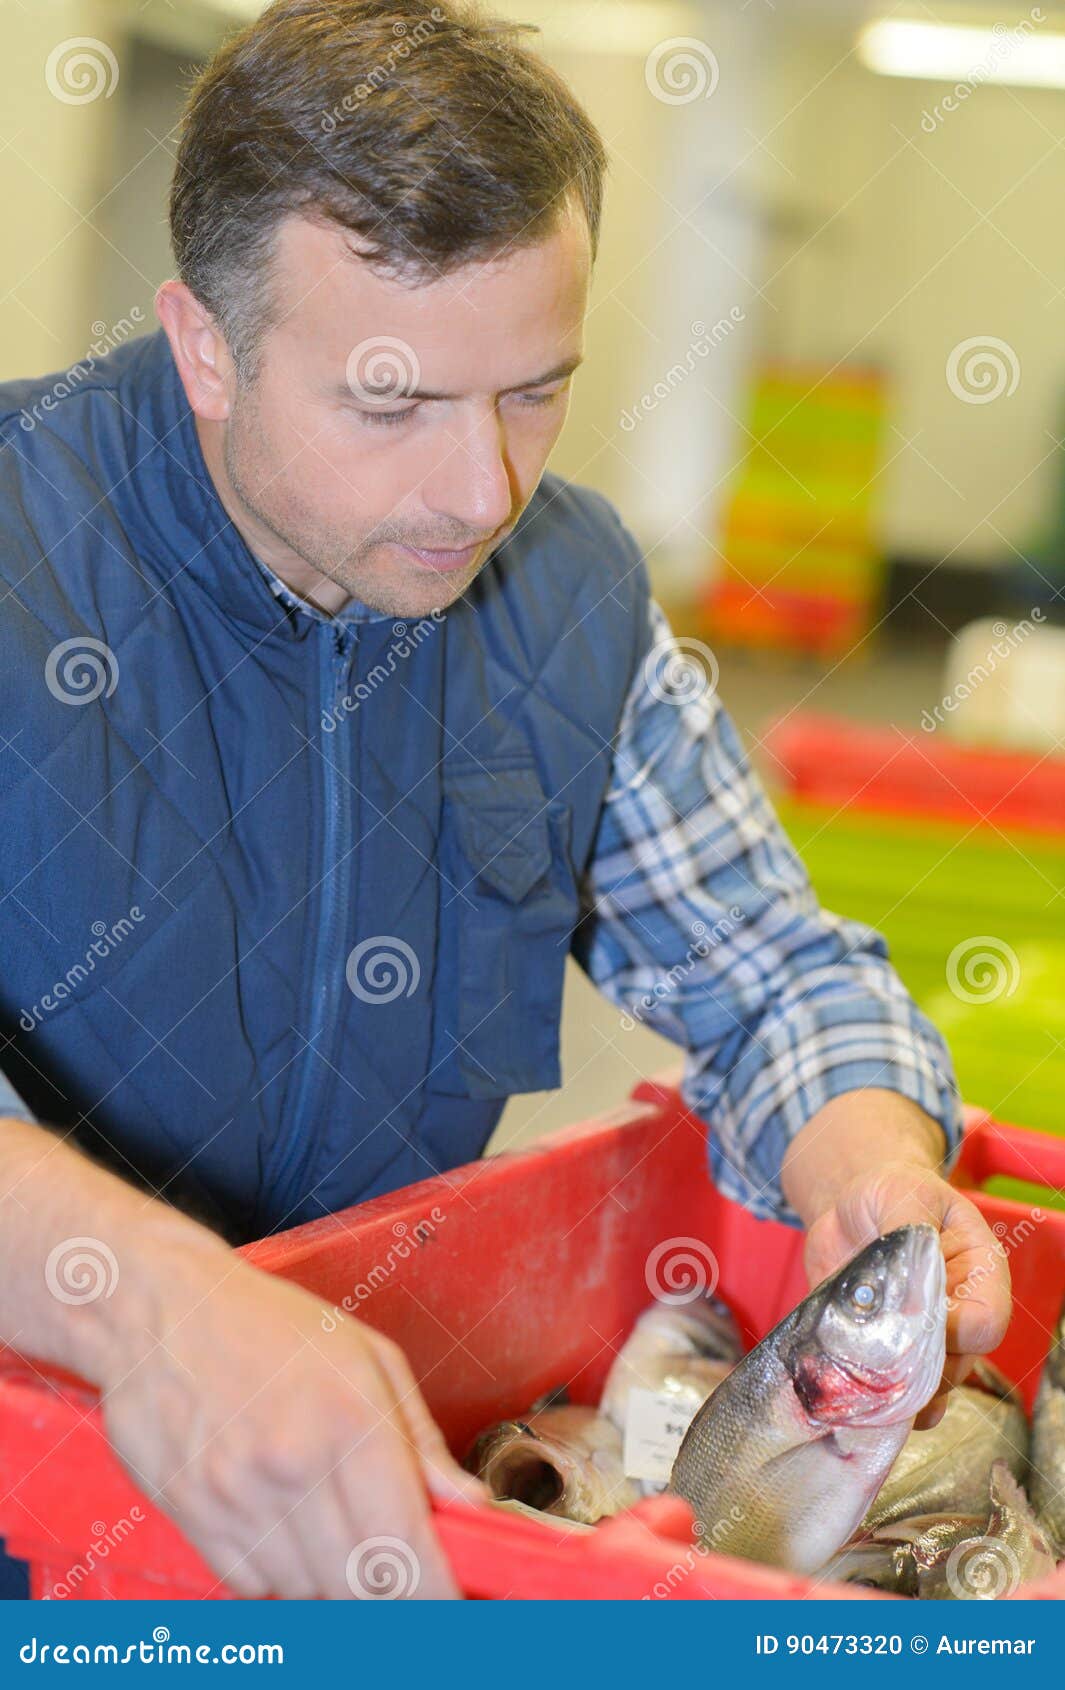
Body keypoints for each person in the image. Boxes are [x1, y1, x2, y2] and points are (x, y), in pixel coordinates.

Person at [0, 0, 1009, 1600]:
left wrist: (868, 1165)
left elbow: (773, 975)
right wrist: (158, 1305)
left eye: (533, 390)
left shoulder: (566, 601)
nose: (481, 490)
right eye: (391, 402)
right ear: (205, 347)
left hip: (360, 1474)